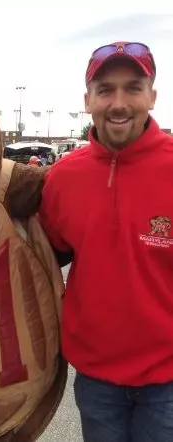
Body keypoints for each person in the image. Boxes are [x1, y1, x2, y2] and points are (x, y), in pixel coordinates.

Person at [39, 42, 173, 441]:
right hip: (97, 381)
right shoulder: (62, 178)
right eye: (105, 90)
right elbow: (40, 256)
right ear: (88, 100)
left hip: (167, 381)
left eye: (133, 88)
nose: (119, 103)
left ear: (152, 95)